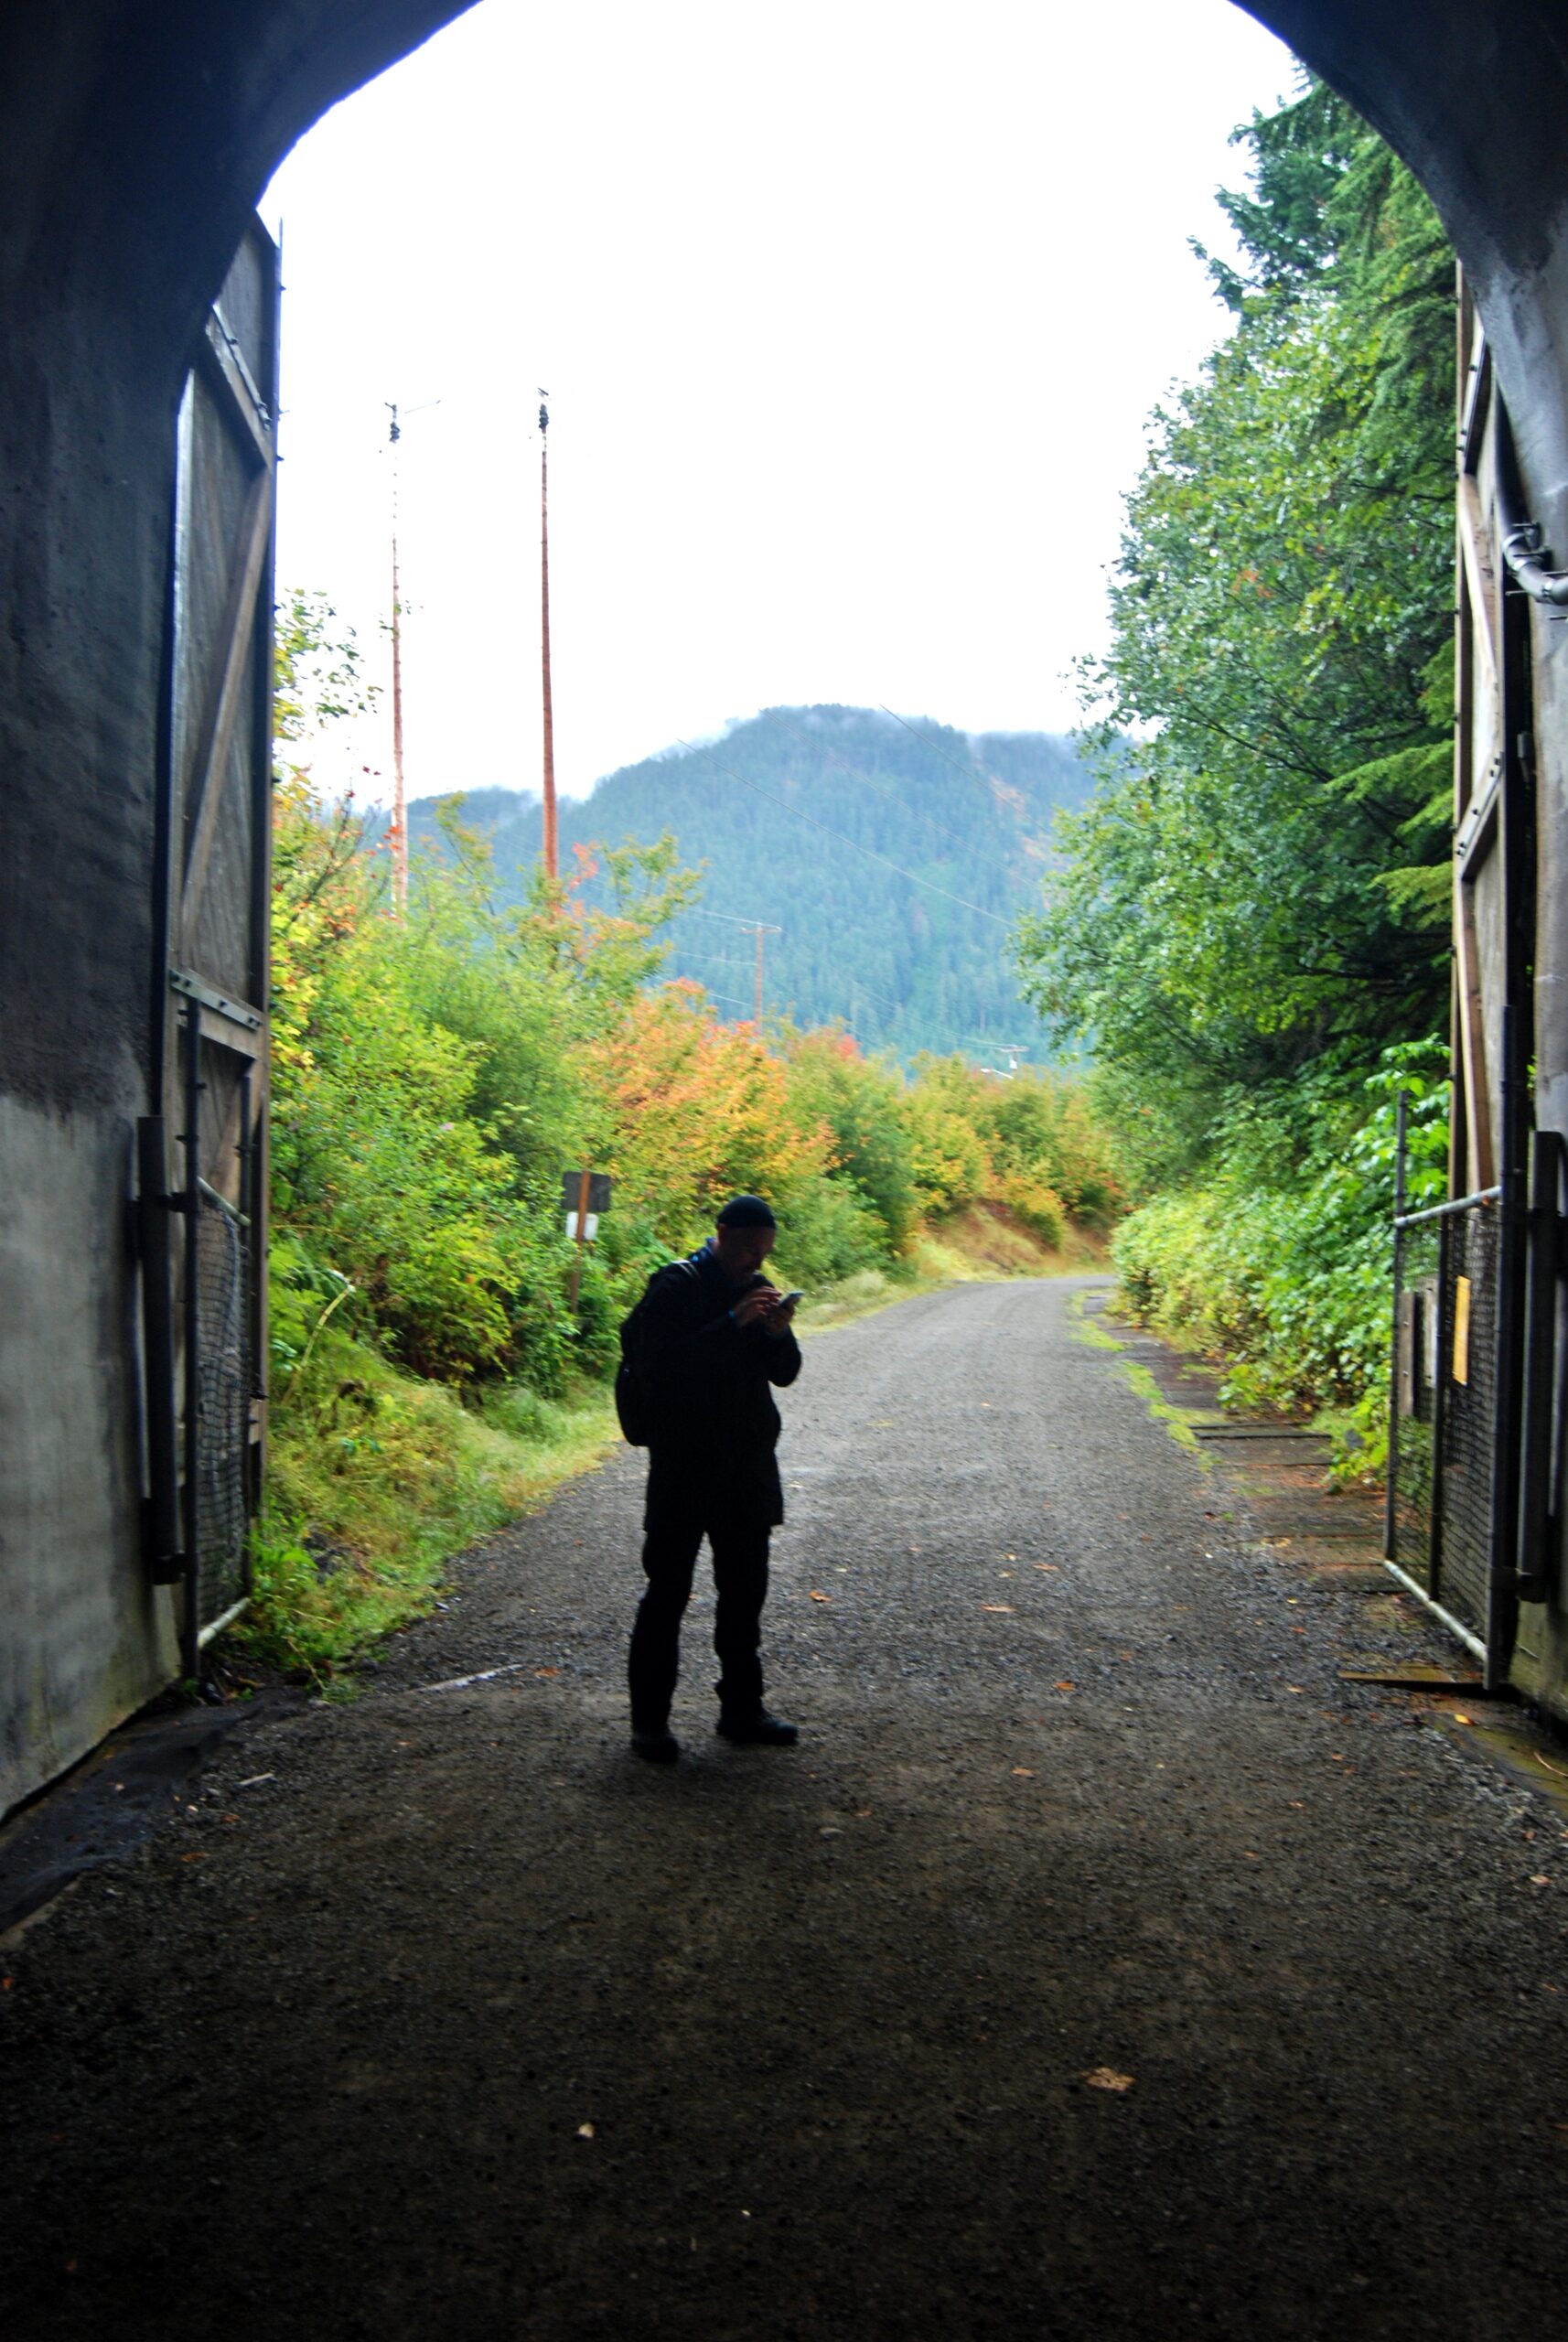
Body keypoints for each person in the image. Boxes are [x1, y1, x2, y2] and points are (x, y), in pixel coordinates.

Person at [626, 1194, 802, 1763]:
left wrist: (776, 1332)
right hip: (684, 1467)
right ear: (721, 1232)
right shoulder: (676, 1286)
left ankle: (742, 1710)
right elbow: (663, 1366)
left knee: (745, 1595)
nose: (756, 1258)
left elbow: (786, 1374)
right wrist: (732, 1323)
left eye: (764, 1250)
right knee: (668, 1594)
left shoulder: (758, 1287)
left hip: (747, 1468)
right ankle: (650, 1724)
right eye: (749, 1246)